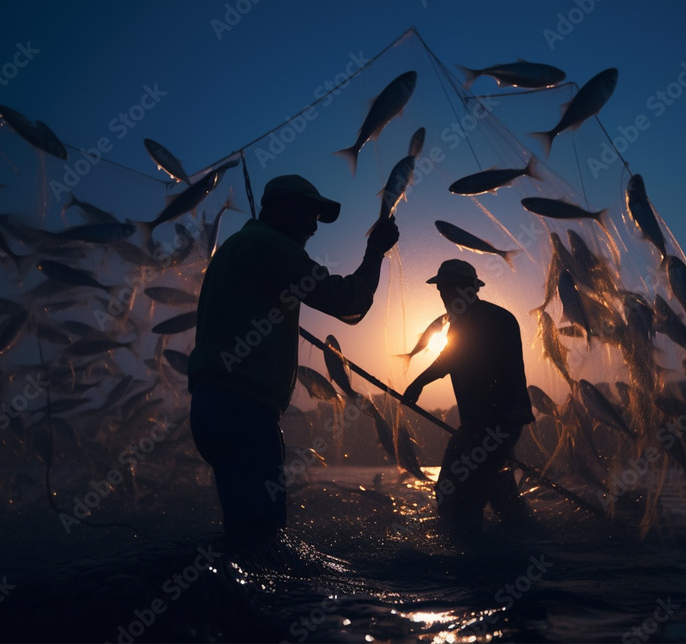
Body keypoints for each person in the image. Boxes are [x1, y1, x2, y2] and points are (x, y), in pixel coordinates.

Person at [187, 174, 399, 536]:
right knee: (264, 539)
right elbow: (350, 302)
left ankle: (228, 588)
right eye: (310, 215)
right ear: (284, 208)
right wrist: (376, 250)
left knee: (243, 529)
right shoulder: (271, 246)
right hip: (244, 411)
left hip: (212, 407)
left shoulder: (237, 248)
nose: (314, 228)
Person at [402, 259, 534, 535]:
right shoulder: (496, 317)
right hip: (503, 424)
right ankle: (531, 541)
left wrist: (418, 383)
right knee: (496, 487)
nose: (443, 297)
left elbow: (453, 357)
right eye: (441, 292)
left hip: (487, 426)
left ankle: (467, 552)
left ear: (465, 290)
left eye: (446, 290)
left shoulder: (476, 321)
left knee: (453, 494)